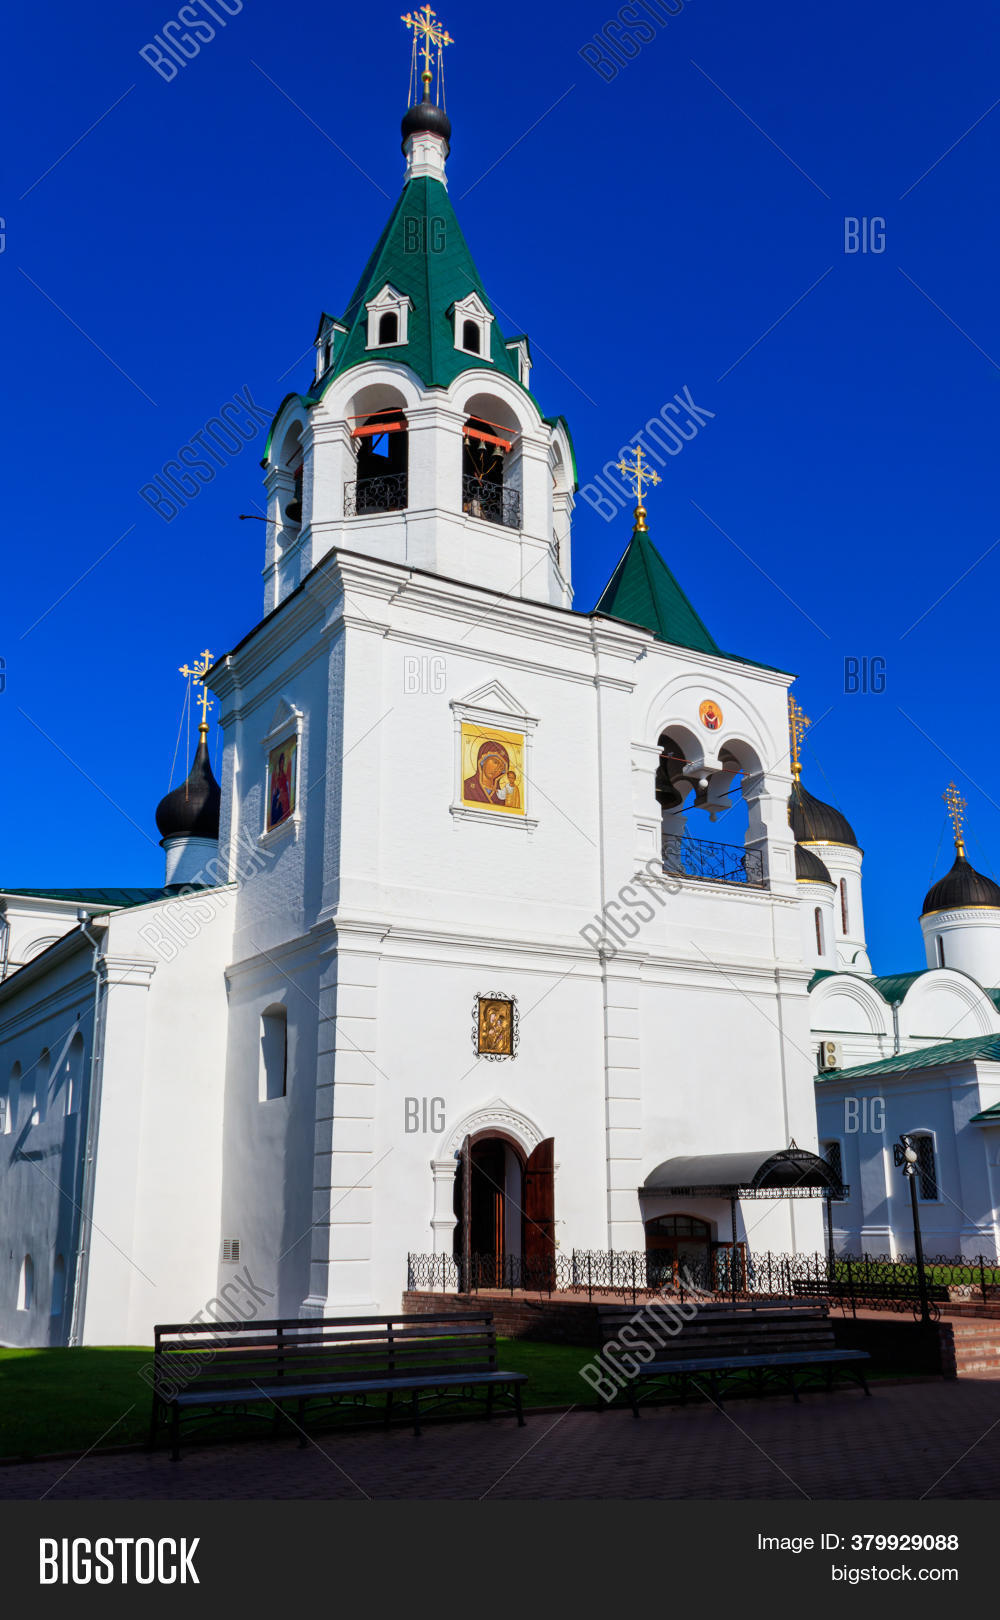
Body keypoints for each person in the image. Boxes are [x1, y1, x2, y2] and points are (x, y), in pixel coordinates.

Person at [463, 739, 520, 808]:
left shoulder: (501, 795)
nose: (497, 769)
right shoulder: (466, 786)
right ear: (483, 760)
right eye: (495, 762)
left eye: (501, 768)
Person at [270, 750, 292, 825]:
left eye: (283, 762)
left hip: (283, 796)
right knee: (276, 809)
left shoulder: (284, 775)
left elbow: (285, 786)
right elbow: (276, 789)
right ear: (279, 764)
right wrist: (278, 794)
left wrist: (283, 794)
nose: (282, 764)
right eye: (281, 763)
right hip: (278, 796)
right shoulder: (277, 776)